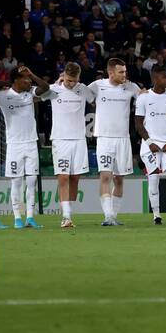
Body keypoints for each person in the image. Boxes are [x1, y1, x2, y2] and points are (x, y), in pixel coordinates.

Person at [88, 57, 142, 226]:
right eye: (121, 72)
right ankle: (108, 216)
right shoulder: (97, 86)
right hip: (104, 138)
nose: (124, 75)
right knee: (105, 176)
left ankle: (114, 216)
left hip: (123, 139)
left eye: (125, 71)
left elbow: (148, 96)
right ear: (110, 72)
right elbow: (77, 91)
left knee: (119, 179)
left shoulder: (131, 87)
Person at [45, 63, 96, 228]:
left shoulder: (83, 89)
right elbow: (36, 95)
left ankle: (69, 214)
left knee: (75, 178)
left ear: (79, 78)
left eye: (74, 81)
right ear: (63, 76)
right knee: (63, 177)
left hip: (79, 140)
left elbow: (96, 100)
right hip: (60, 140)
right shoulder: (54, 89)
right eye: (68, 80)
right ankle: (65, 217)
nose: (71, 84)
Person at [0, 66, 50, 229]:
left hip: (31, 143)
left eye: (29, 79)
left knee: (32, 181)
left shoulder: (30, 93)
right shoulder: (4, 96)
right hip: (14, 145)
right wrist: (4, 83)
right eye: (25, 78)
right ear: (16, 80)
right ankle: (17, 218)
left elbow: (46, 87)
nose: (28, 81)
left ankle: (30, 217)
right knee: (16, 182)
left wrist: (32, 74)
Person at [134, 64, 166, 224]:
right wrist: (149, 142)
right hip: (150, 145)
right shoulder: (144, 97)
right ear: (155, 79)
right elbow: (138, 123)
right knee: (154, 176)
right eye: (164, 77)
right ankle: (157, 216)